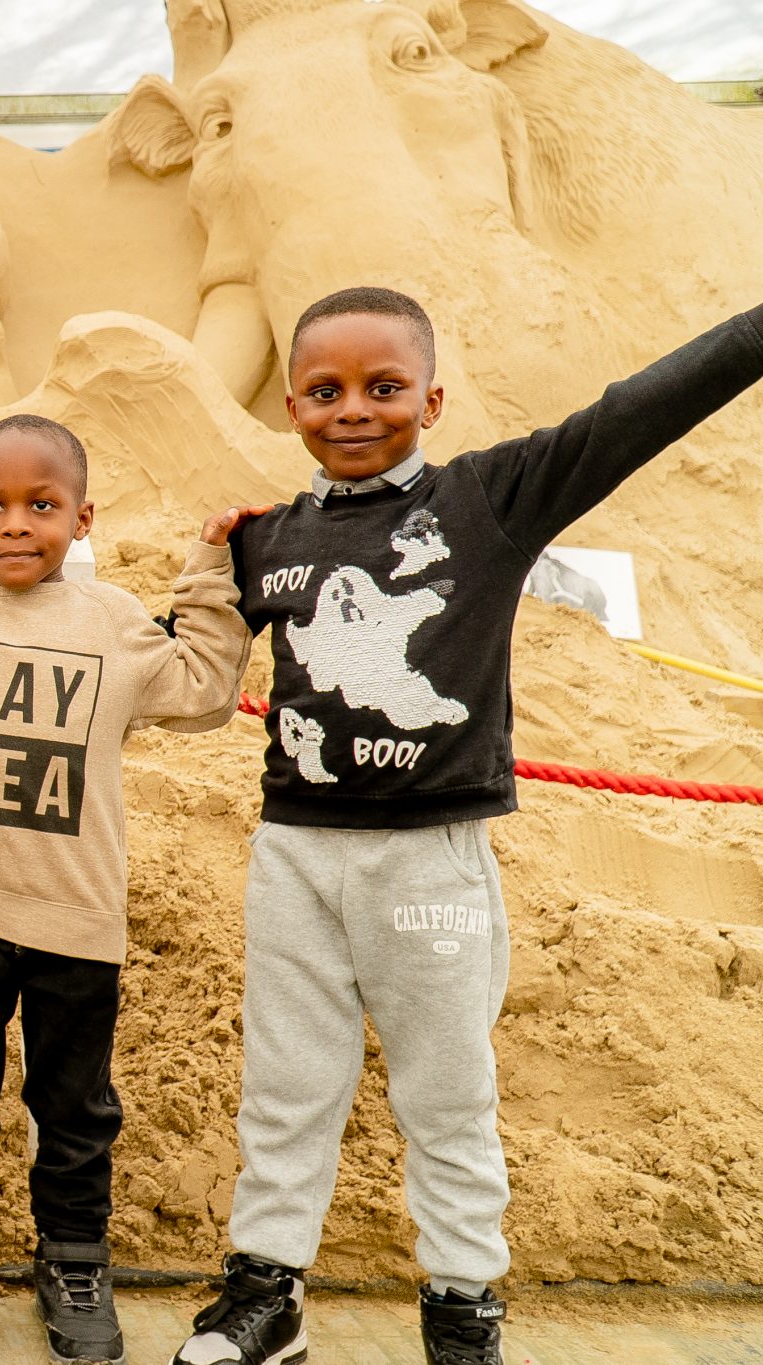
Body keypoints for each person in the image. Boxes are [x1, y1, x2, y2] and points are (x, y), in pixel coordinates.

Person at [173, 286, 763, 1365]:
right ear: (291, 406)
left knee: (445, 1095)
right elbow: (191, 669)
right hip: (293, 852)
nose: (352, 409)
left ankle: (460, 1309)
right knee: (285, 1085)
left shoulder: (485, 502)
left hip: (427, 865)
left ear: (431, 398)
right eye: (323, 390)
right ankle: (267, 1295)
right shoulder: (266, 541)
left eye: (382, 387)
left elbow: (628, 413)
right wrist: (203, 567)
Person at [0, 372, 254, 1365]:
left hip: (73, 919)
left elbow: (202, 687)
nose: (14, 526)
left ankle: (73, 1259)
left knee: (73, 1108)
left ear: (80, 518)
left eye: (40, 506)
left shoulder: (111, 621)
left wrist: (208, 566)